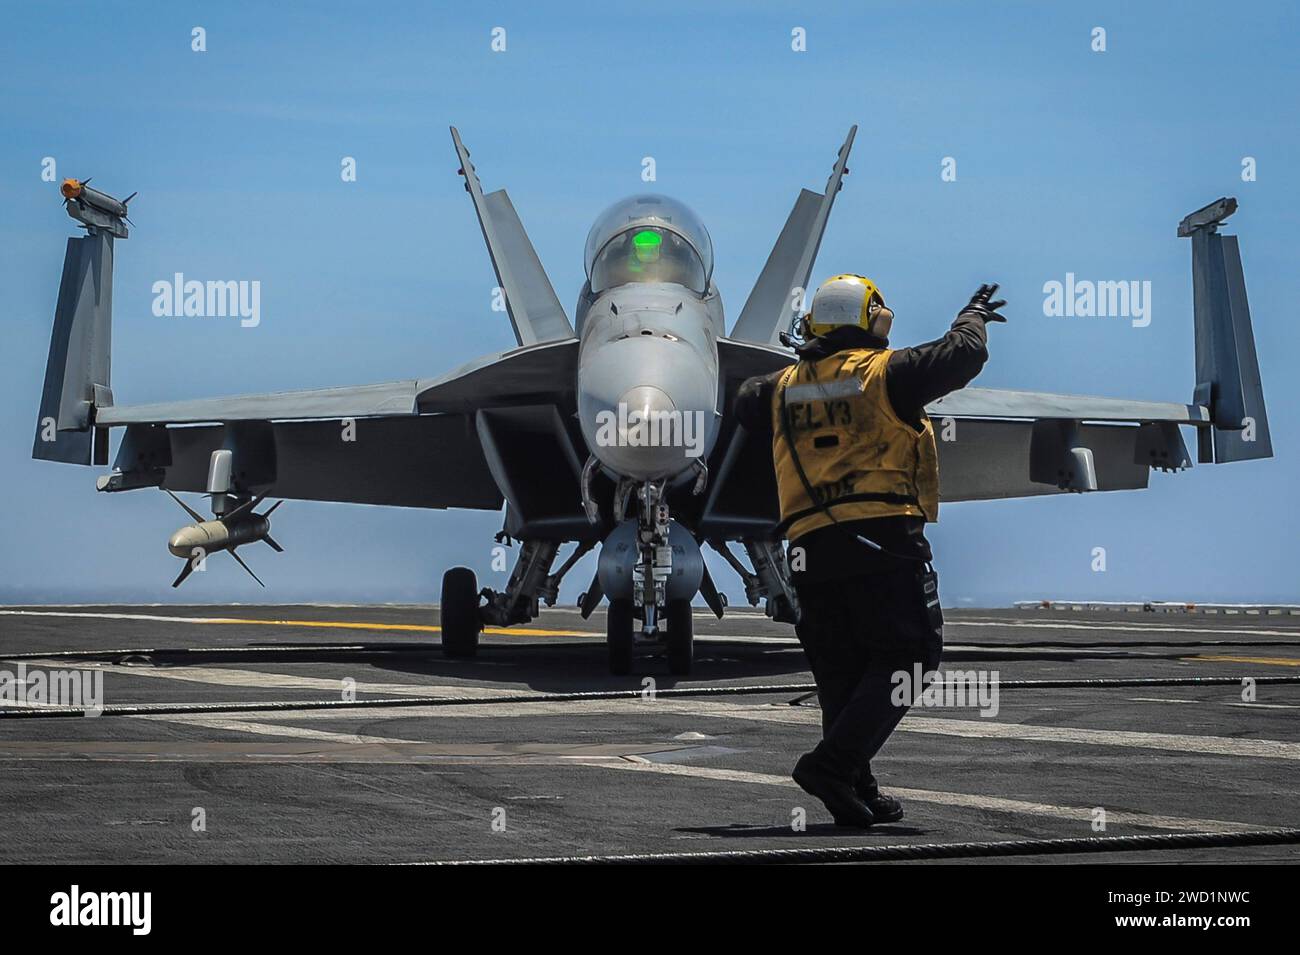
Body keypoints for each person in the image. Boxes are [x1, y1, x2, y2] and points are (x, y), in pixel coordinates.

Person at [733, 275, 1006, 827]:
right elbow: (963, 353)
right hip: (881, 539)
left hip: (809, 552)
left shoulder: (775, 388)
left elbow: (743, 402)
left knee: (844, 674)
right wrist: (973, 313)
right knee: (910, 656)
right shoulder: (888, 376)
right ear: (876, 320)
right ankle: (832, 766)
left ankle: (857, 786)